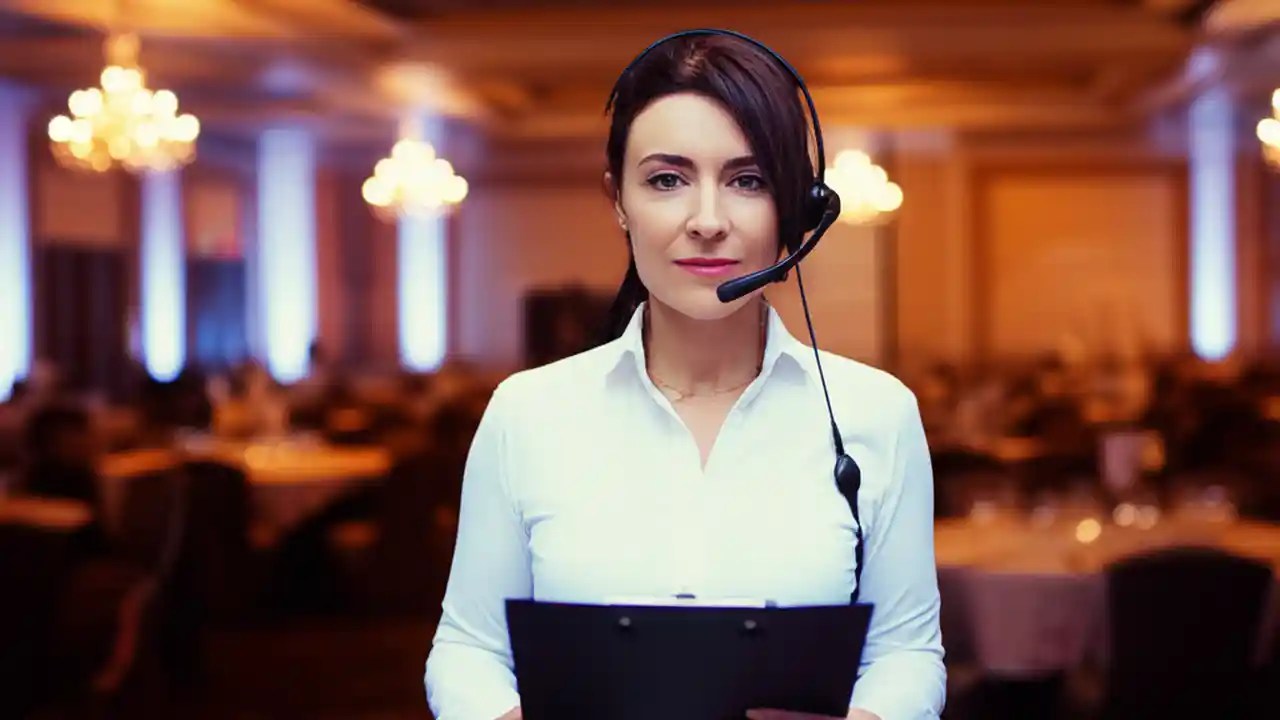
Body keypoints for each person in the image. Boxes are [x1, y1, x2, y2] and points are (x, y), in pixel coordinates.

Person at [425, 29, 945, 720]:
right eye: (667, 180)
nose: (707, 221)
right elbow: (468, 647)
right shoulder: (527, 413)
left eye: (747, 180)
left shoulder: (876, 414)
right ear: (618, 200)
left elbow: (905, 652)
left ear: (795, 207)